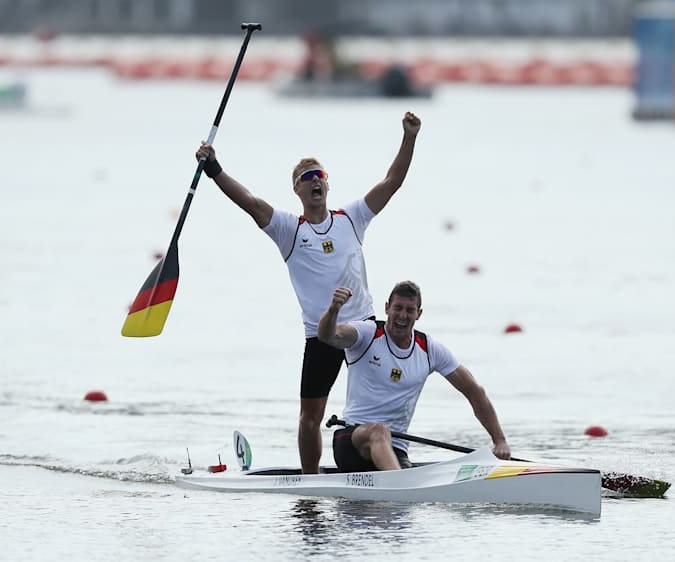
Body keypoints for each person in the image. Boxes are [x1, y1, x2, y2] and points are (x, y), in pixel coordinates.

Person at [195, 112, 422, 474]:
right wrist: (214, 169)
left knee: (383, 403)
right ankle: (310, 479)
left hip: (364, 329)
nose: (315, 180)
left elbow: (392, 182)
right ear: (297, 190)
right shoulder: (289, 229)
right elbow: (250, 202)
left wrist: (409, 136)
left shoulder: (352, 218)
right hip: (322, 333)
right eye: (306, 177)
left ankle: (387, 458)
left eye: (320, 175)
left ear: (327, 185)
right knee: (310, 416)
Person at [317, 281, 510, 471]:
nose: (403, 315)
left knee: (386, 439)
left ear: (419, 314)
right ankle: (398, 482)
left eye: (410, 310)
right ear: (387, 308)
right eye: (398, 308)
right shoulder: (368, 333)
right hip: (351, 441)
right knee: (378, 430)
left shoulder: (429, 349)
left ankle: (397, 480)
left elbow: (474, 391)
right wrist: (334, 309)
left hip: (396, 447)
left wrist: (499, 441)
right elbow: (327, 336)